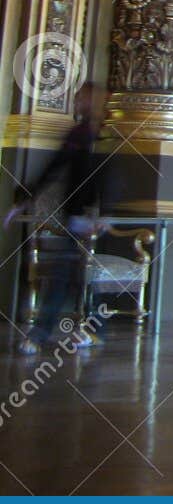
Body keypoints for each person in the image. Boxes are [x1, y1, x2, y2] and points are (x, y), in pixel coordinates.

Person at [3, 82, 110, 355]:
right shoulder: (85, 134)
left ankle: (41, 336)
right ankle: (88, 331)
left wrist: (101, 214)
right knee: (74, 277)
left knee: (69, 278)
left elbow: (97, 177)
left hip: (84, 217)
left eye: (80, 98)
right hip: (78, 217)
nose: (75, 102)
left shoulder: (93, 136)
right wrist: (25, 199)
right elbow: (57, 168)